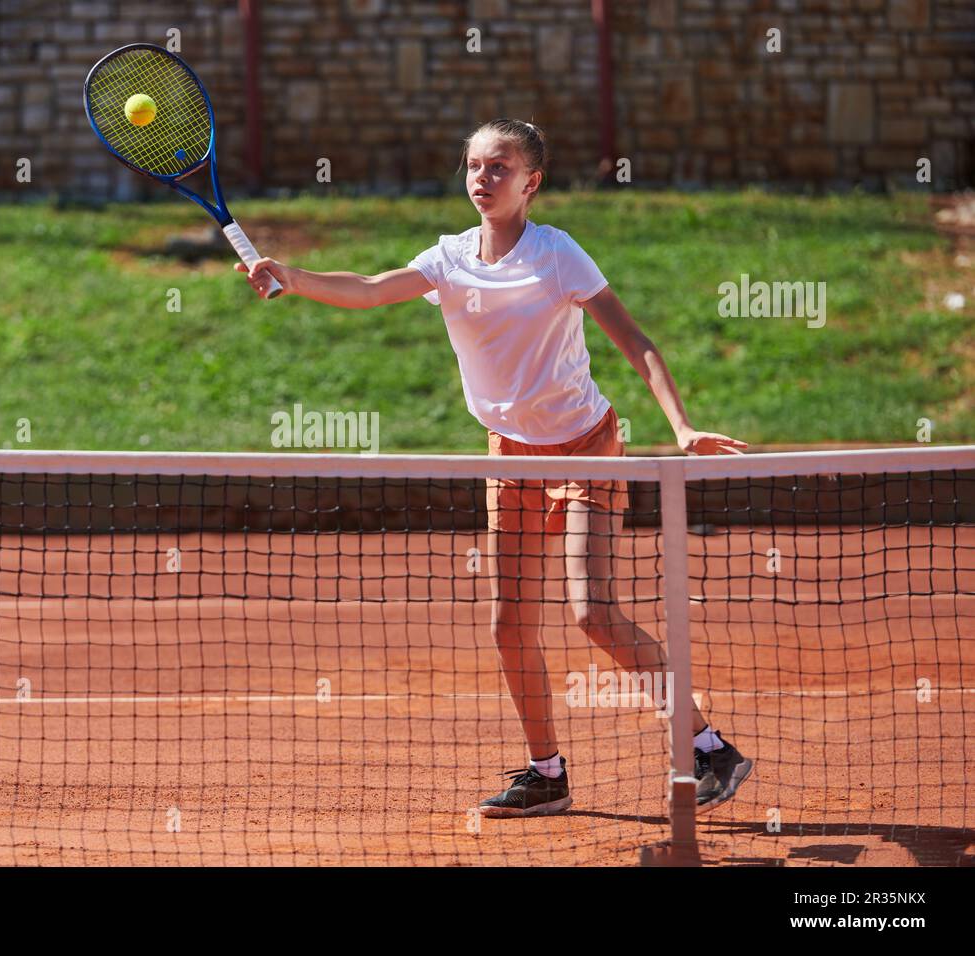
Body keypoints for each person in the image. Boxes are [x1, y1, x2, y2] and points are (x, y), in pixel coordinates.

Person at [236, 118, 754, 817]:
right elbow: (366, 288)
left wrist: (683, 426)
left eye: (500, 168)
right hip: (509, 457)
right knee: (509, 623)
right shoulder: (450, 260)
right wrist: (290, 276)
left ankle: (708, 745)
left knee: (593, 611)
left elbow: (637, 341)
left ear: (531, 183)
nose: (482, 178)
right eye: (474, 166)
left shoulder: (558, 255)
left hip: (585, 447)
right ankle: (547, 774)